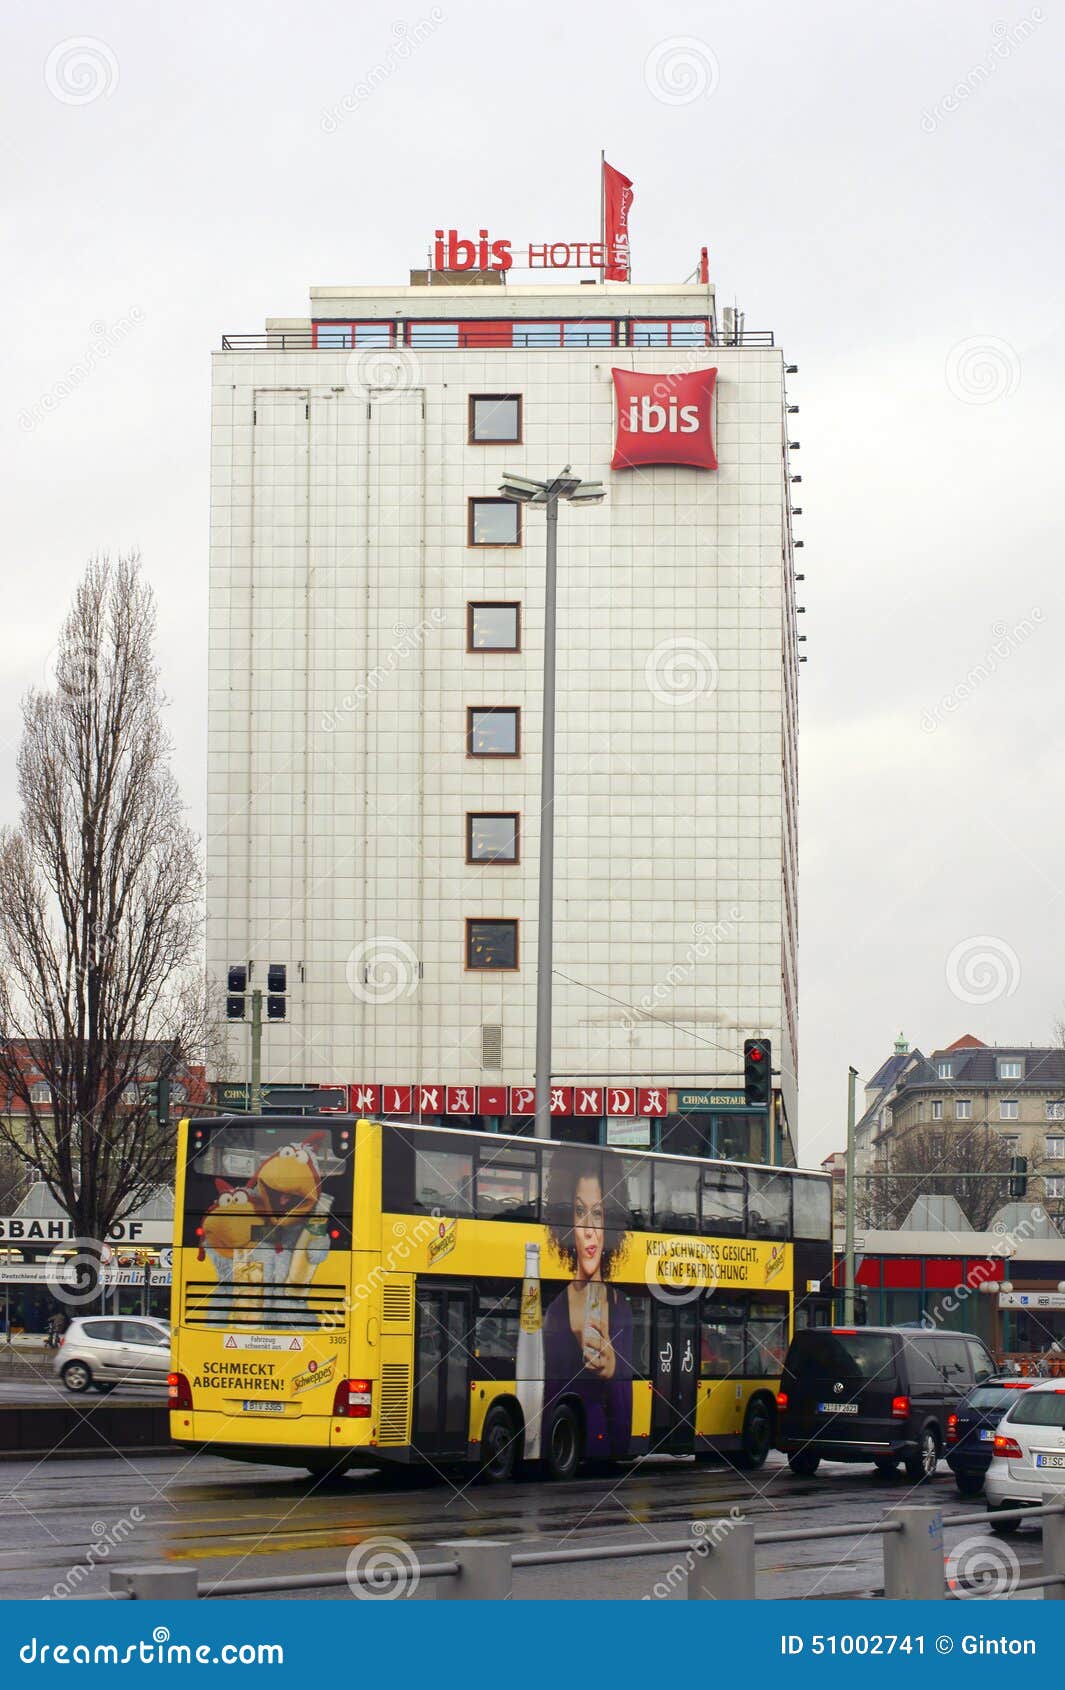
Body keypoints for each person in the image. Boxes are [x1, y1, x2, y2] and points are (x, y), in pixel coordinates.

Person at [542, 1156, 633, 1459]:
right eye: (580, 1212)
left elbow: (624, 1439)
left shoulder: (622, 1310)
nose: (590, 1229)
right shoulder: (554, 1312)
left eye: (599, 1213)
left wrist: (613, 1373)